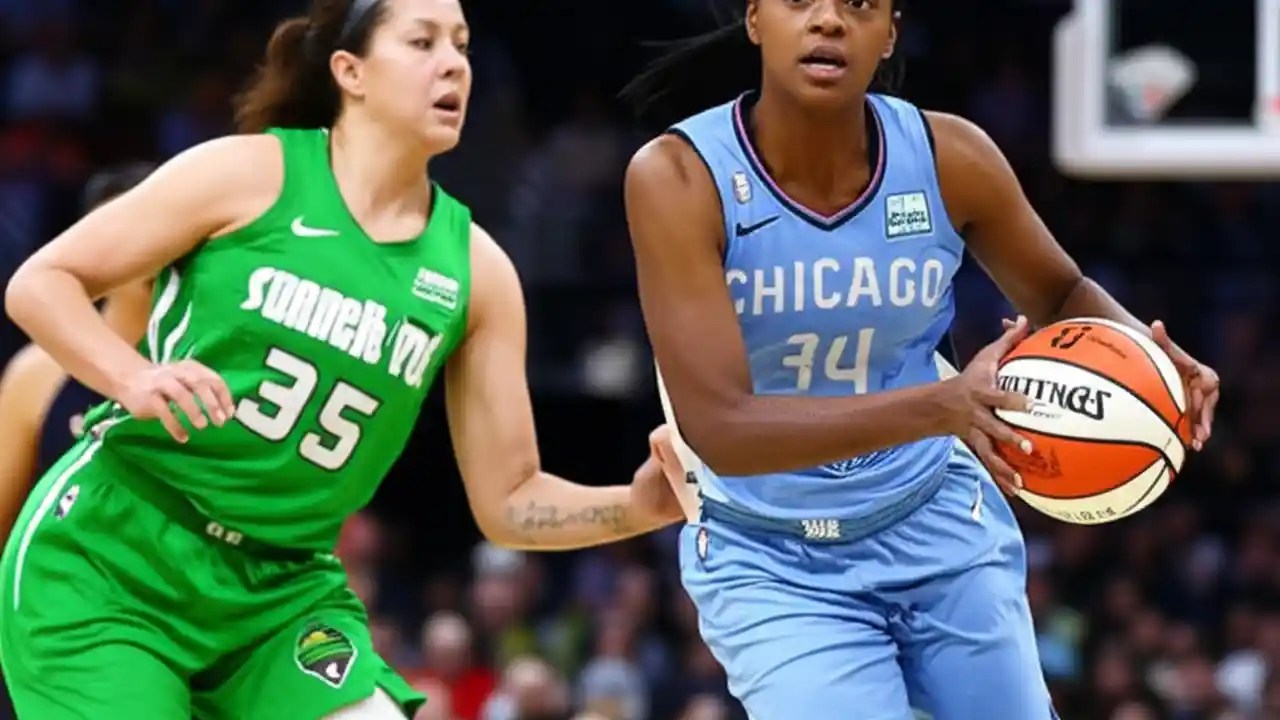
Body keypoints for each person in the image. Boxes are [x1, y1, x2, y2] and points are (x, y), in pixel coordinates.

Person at [0, 1, 684, 719]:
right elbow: (41, 282)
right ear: (349, 72)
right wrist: (131, 374)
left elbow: (511, 501)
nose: (453, 63)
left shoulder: (478, 273)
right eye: (422, 42)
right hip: (114, 559)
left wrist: (636, 507)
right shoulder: (246, 172)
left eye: (462, 45)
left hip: (280, 590)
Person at [621, 1, 1221, 718]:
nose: (829, 21)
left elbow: (1059, 290)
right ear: (755, 18)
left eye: (859, 5)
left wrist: (1149, 359)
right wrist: (940, 407)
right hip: (775, 560)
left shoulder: (949, 157)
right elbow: (722, 429)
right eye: (800, 1)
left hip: (937, 522)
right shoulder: (678, 178)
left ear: (890, 33)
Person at [0, 164, 156, 543]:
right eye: (133, 235)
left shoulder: (213, 364)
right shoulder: (38, 372)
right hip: (57, 591)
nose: (158, 251)